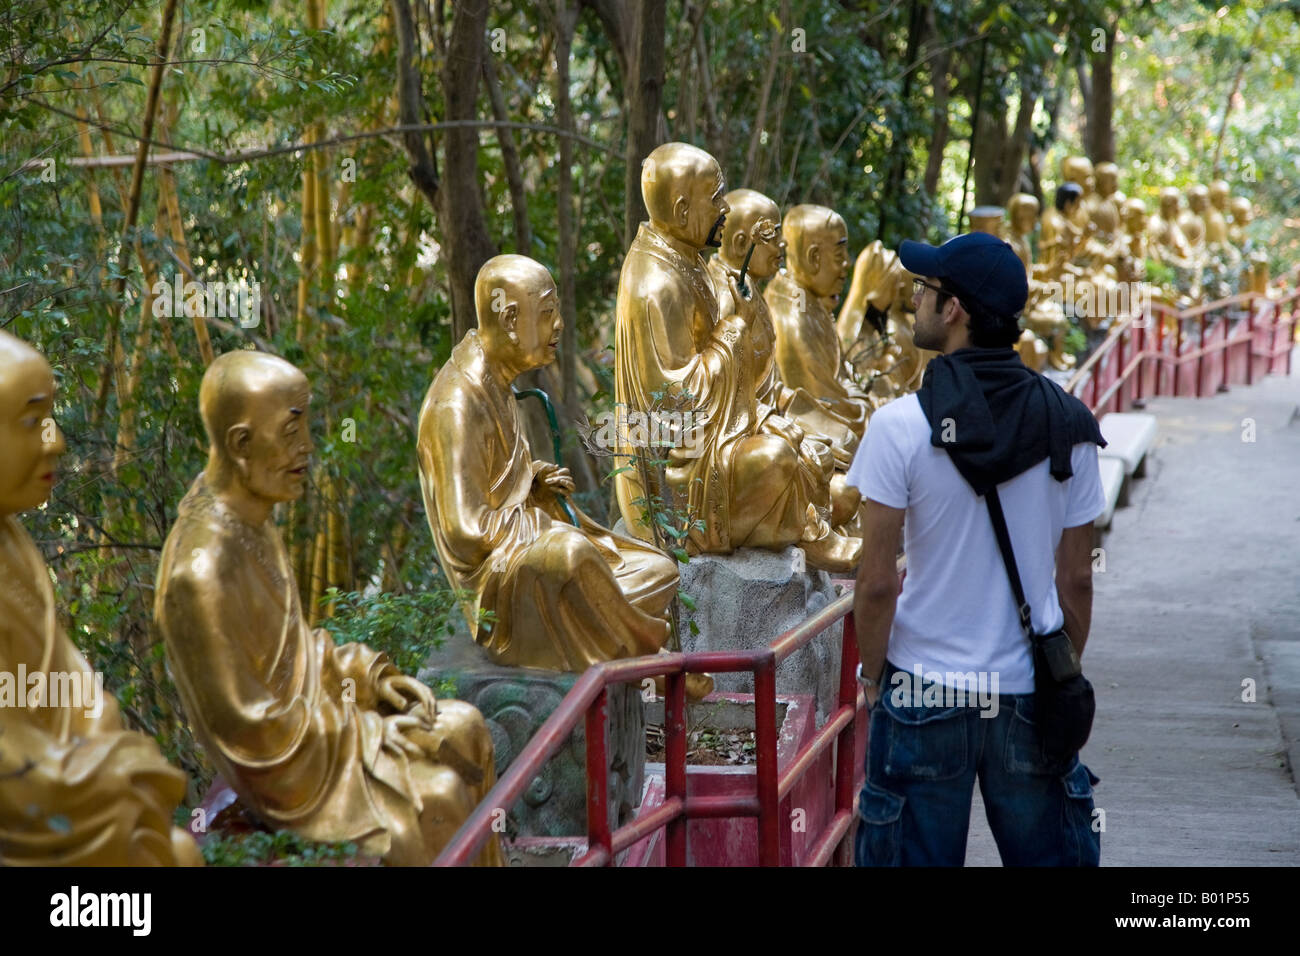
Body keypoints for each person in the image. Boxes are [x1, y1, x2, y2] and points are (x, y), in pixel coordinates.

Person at [847, 232, 1106, 866]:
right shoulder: (1070, 426)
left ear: (955, 308)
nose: (914, 299)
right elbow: (1076, 582)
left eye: (924, 290)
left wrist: (875, 679)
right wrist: (1056, 665)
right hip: (1027, 691)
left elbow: (877, 583)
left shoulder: (900, 428)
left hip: (924, 688)